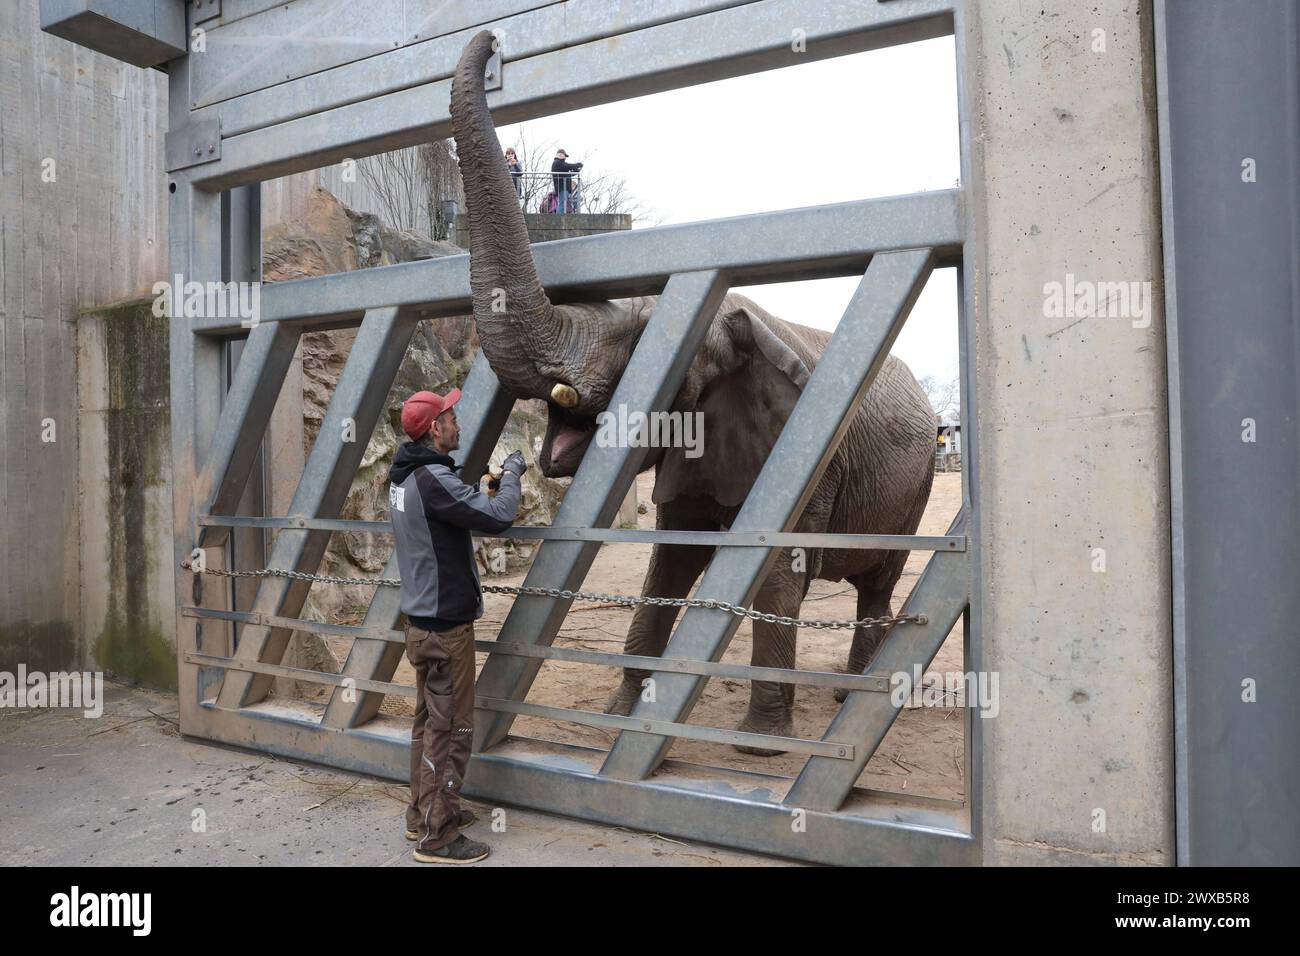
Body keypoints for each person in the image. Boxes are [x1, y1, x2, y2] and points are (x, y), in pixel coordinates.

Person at [388, 388, 527, 864]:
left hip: (420, 623)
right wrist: (510, 475)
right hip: (446, 630)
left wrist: (477, 491)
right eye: (451, 418)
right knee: (451, 731)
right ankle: (439, 836)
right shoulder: (432, 481)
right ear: (434, 430)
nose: (458, 425)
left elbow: (450, 514)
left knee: (428, 723)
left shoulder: (405, 479)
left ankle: (422, 814)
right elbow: (498, 515)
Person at [551, 149, 583, 213]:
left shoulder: (559, 164)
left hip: (563, 187)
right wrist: (577, 165)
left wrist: (576, 171)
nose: (565, 157)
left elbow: (567, 174)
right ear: (561, 155)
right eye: (565, 155)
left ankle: (560, 218)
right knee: (562, 204)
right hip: (562, 187)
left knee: (563, 203)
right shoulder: (557, 162)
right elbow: (567, 166)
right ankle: (559, 219)